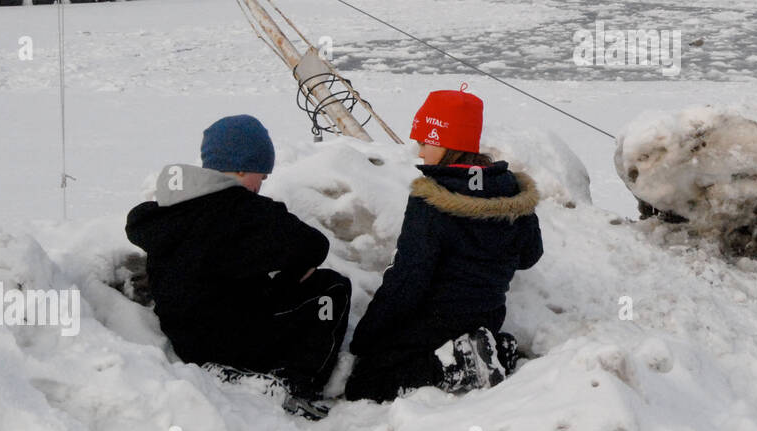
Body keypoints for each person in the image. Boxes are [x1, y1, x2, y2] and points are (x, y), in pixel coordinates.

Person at [125, 115, 351, 410]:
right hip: (238, 341)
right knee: (332, 288)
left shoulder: (167, 212)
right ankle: (296, 383)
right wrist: (288, 275)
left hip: (186, 341)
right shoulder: (245, 211)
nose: (262, 185)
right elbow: (314, 246)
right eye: (262, 175)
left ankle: (227, 369)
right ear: (244, 168)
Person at [346, 84, 543, 403]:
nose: (420, 151)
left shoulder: (432, 200)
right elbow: (529, 256)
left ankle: (458, 366)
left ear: (445, 141)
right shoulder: (510, 191)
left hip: (438, 321)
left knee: (364, 384)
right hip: (489, 314)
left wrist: (368, 333)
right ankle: (492, 349)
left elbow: (409, 279)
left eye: (425, 141)